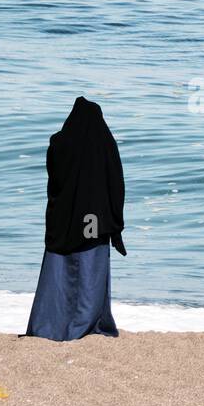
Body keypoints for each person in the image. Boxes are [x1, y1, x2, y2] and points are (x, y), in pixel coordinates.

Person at [23, 96, 126, 341]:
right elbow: (116, 185)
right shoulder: (104, 144)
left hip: (64, 222)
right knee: (89, 273)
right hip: (94, 222)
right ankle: (84, 326)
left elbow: (56, 182)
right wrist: (115, 223)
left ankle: (50, 325)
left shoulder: (60, 145)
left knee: (60, 275)